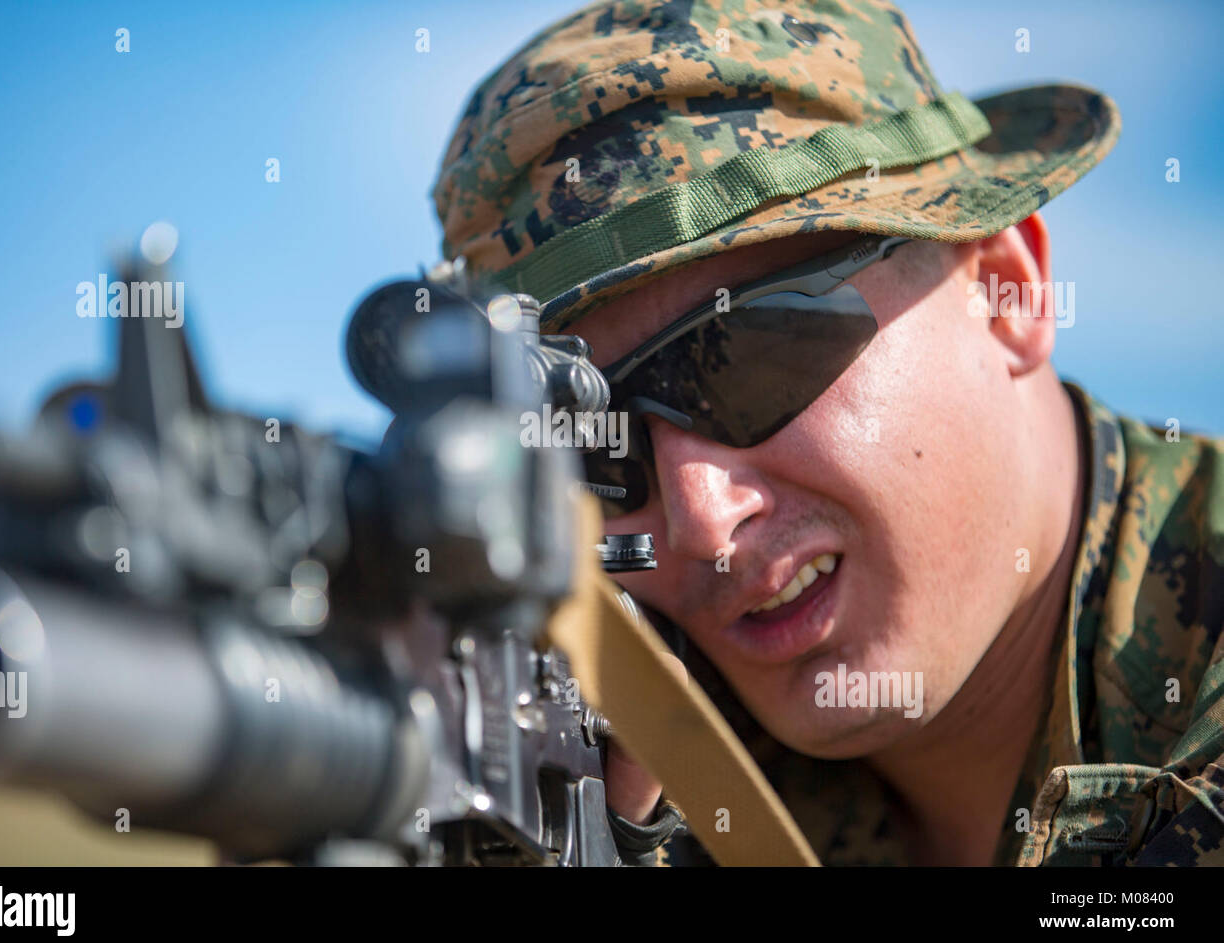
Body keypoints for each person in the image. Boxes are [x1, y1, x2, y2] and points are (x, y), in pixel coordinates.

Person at [431, 0, 1224, 865]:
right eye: (595, 440)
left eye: (747, 360)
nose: (701, 522)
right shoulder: (644, 787)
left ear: (1006, 288)